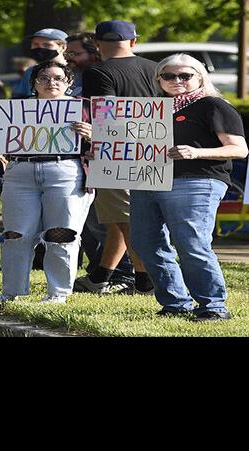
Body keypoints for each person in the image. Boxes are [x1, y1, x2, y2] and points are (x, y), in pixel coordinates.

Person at [130, 53, 248, 320]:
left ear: (200, 77)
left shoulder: (213, 106)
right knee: (145, 243)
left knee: (191, 243)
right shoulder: (149, 109)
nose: (177, 80)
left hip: (197, 181)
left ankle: (213, 306)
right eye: (169, 76)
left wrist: (196, 152)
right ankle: (175, 303)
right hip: (147, 180)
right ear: (158, 80)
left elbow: (239, 149)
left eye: (185, 75)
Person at [0, 61, 93, 312]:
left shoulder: (84, 108)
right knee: (15, 234)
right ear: (34, 82)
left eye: (59, 78)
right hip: (21, 173)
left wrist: (92, 135)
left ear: (69, 82)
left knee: (61, 234)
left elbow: (113, 141)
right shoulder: (18, 109)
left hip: (65, 171)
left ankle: (57, 294)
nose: (52, 83)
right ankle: (10, 293)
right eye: (44, 78)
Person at [75, 20, 159, 295]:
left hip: (115, 153)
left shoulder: (98, 72)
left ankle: (145, 280)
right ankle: (101, 275)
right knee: (117, 220)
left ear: (97, 44)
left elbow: (104, 115)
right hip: (153, 151)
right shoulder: (155, 69)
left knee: (125, 220)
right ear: (134, 41)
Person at [11, 28, 69, 98]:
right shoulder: (30, 71)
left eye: (47, 45)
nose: (40, 48)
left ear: (63, 47)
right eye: (35, 44)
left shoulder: (75, 70)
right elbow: (19, 98)